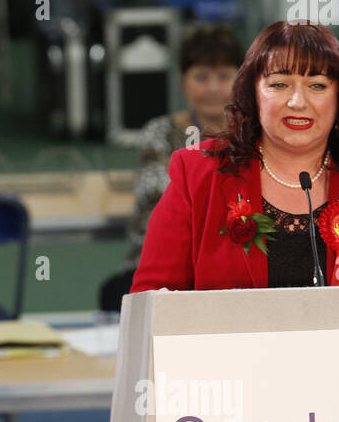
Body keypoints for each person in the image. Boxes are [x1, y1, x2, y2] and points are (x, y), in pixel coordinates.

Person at [131, 21, 339, 292]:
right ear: (252, 93)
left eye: (317, 85)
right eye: (279, 84)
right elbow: (153, 300)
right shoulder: (197, 173)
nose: (297, 101)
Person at [99, 23, 242, 309]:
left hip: (234, 262)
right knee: (116, 294)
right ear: (183, 82)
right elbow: (158, 212)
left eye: (224, 76)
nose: (213, 88)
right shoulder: (160, 132)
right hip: (164, 263)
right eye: (201, 77)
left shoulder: (258, 134)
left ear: (243, 80)